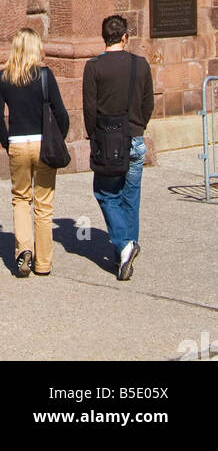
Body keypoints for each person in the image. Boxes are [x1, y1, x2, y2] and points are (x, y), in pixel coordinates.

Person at [83, 14, 154, 281]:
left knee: (105, 193)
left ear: (105, 38)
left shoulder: (94, 67)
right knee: (130, 197)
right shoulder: (141, 64)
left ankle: (124, 246)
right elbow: (149, 104)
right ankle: (127, 249)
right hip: (135, 137)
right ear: (125, 37)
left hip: (107, 140)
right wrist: (139, 127)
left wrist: (93, 136)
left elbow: (89, 108)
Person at [0, 28, 69, 277]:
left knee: (20, 199)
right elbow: (62, 114)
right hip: (43, 143)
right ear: (36, 48)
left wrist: (7, 143)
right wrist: (58, 139)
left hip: (17, 142)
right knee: (43, 205)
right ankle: (44, 263)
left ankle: (24, 249)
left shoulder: (4, 77)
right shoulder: (45, 75)